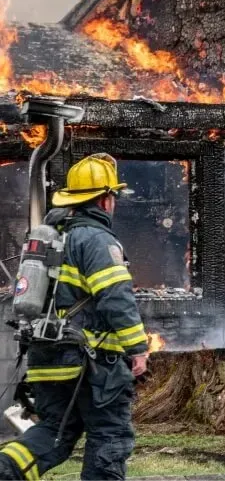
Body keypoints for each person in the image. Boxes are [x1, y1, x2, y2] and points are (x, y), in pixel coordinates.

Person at [0, 154, 149, 480]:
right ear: (104, 199)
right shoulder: (96, 239)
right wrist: (138, 348)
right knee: (110, 436)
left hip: (46, 357)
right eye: (113, 197)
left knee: (54, 434)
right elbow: (115, 297)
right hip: (91, 365)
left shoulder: (49, 236)